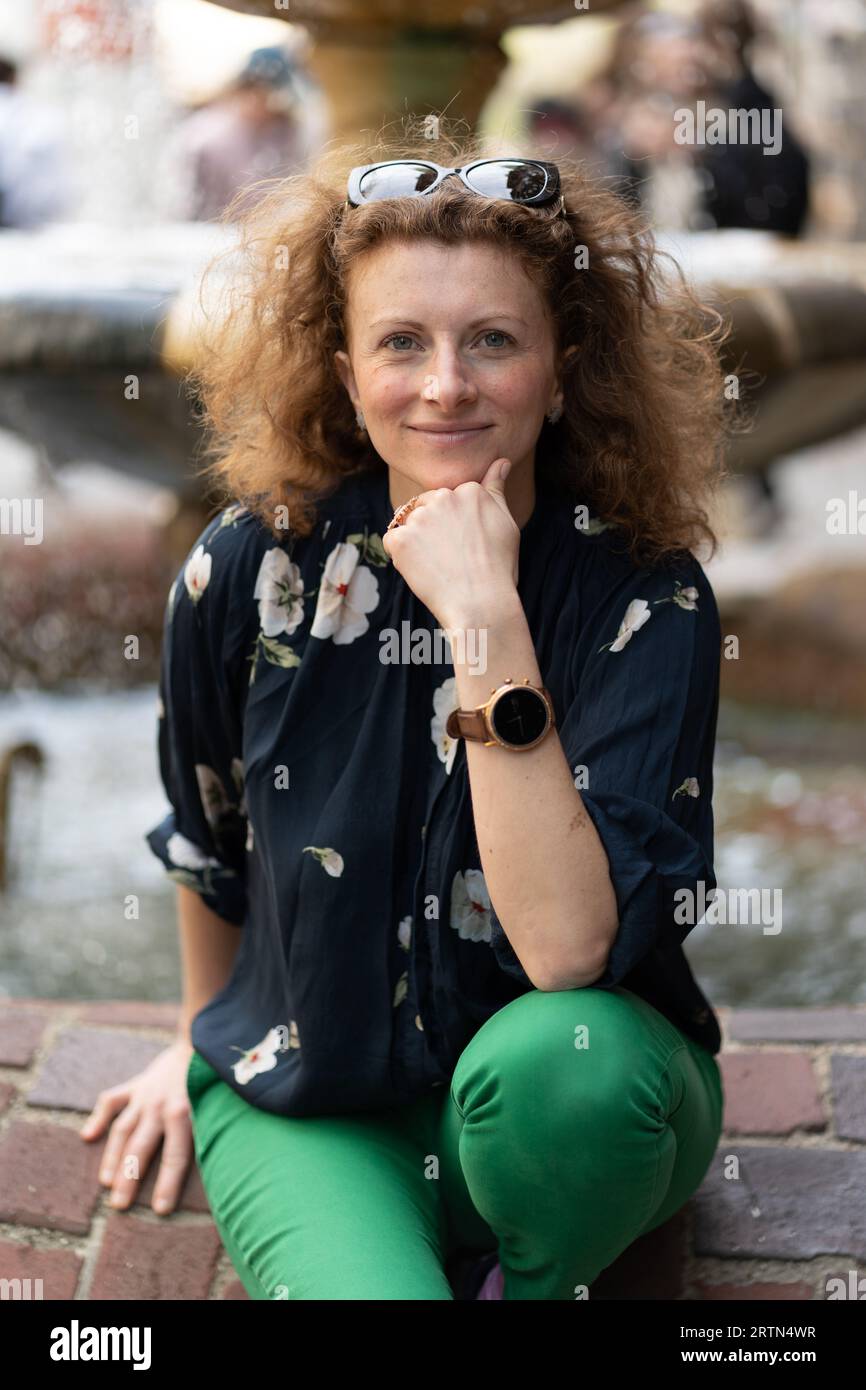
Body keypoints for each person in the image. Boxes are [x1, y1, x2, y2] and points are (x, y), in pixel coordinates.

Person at [81, 124, 730, 1300]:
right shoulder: (250, 569)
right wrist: (196, 1036)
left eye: (491, 340)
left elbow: (566, 949)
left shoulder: (646, 594)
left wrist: (486, 619)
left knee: (565, 1071)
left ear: (560, 362)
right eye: (400, 342)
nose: (443, 384)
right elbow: (208, 836)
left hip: (574, 1094)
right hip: (320, 1106)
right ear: (343, 371)